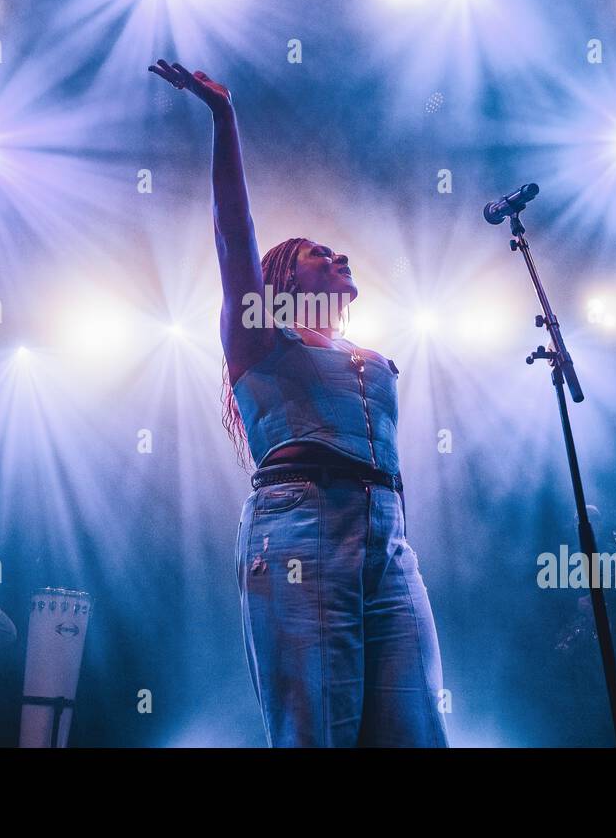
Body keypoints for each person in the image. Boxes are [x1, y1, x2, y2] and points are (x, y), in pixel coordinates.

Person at [149, 59, 448, 747]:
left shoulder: (368, 355)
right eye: (320, 252)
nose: (340, 256)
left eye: (340, 251)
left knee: (418, 729)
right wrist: (224, 119)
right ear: (284, 276)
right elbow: (233, 231)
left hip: (386, 533)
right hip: (299, 524)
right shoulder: (261, 335)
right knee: (315, 732)